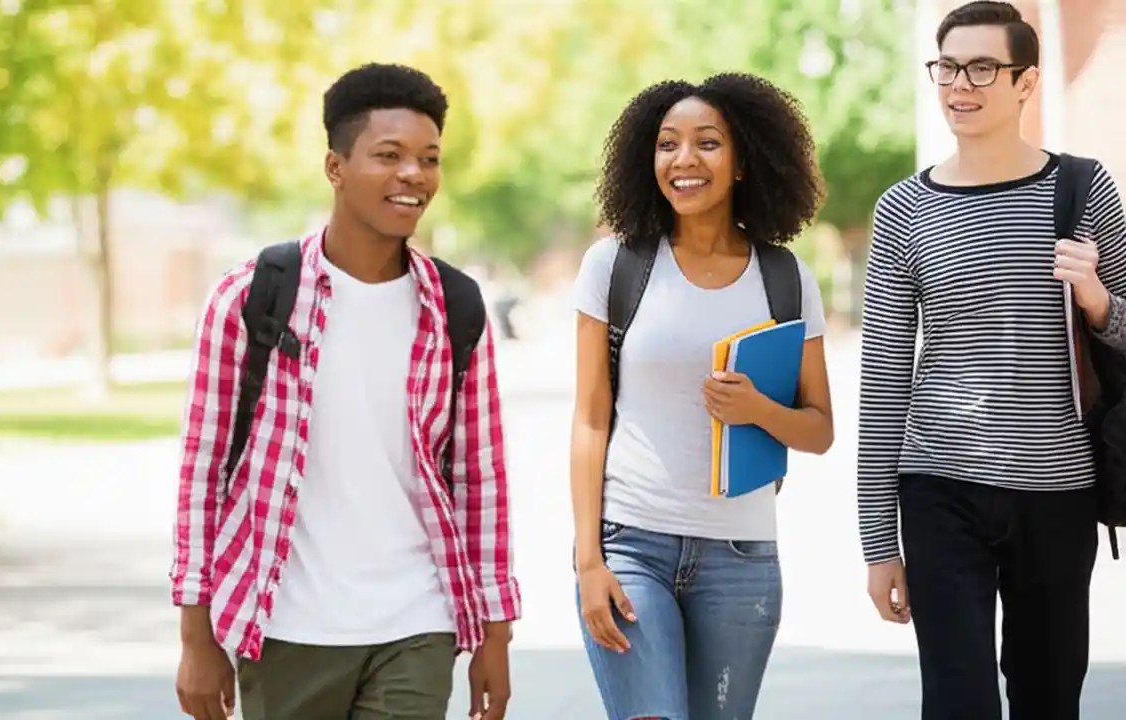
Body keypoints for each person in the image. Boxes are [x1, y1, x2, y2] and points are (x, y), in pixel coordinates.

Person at [170, 63, 520, 720]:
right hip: (286, 626)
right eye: (388, 156)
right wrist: (196, 636)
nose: (413, 175)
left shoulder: (455, 307)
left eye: (428, 159)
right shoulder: (250, 300)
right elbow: (202, 473)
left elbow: (480, 479)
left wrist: (494, 635)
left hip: (416, 619)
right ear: (336, 168)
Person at [858, 3, 1126, 719]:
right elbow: (883, 378)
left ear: (1026, 82)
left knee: (1048, 697)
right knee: (957, 702)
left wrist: (1098, 300)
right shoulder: (903, 210)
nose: (959, 85)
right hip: (939, 486)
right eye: (947, 67)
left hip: (1058, 490)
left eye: (982, 68)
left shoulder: (1083, 188)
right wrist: (878, 541)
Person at [570, 73, 835, 720]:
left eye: (707, 143)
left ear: (744, 160)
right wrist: (588, 563)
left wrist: (759, 412)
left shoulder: (785, 278)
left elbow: (819, 429)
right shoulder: (614, 267)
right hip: (631, 545)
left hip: (740, 558)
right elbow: (589, 419)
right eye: (667, 144)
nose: (684, 160)